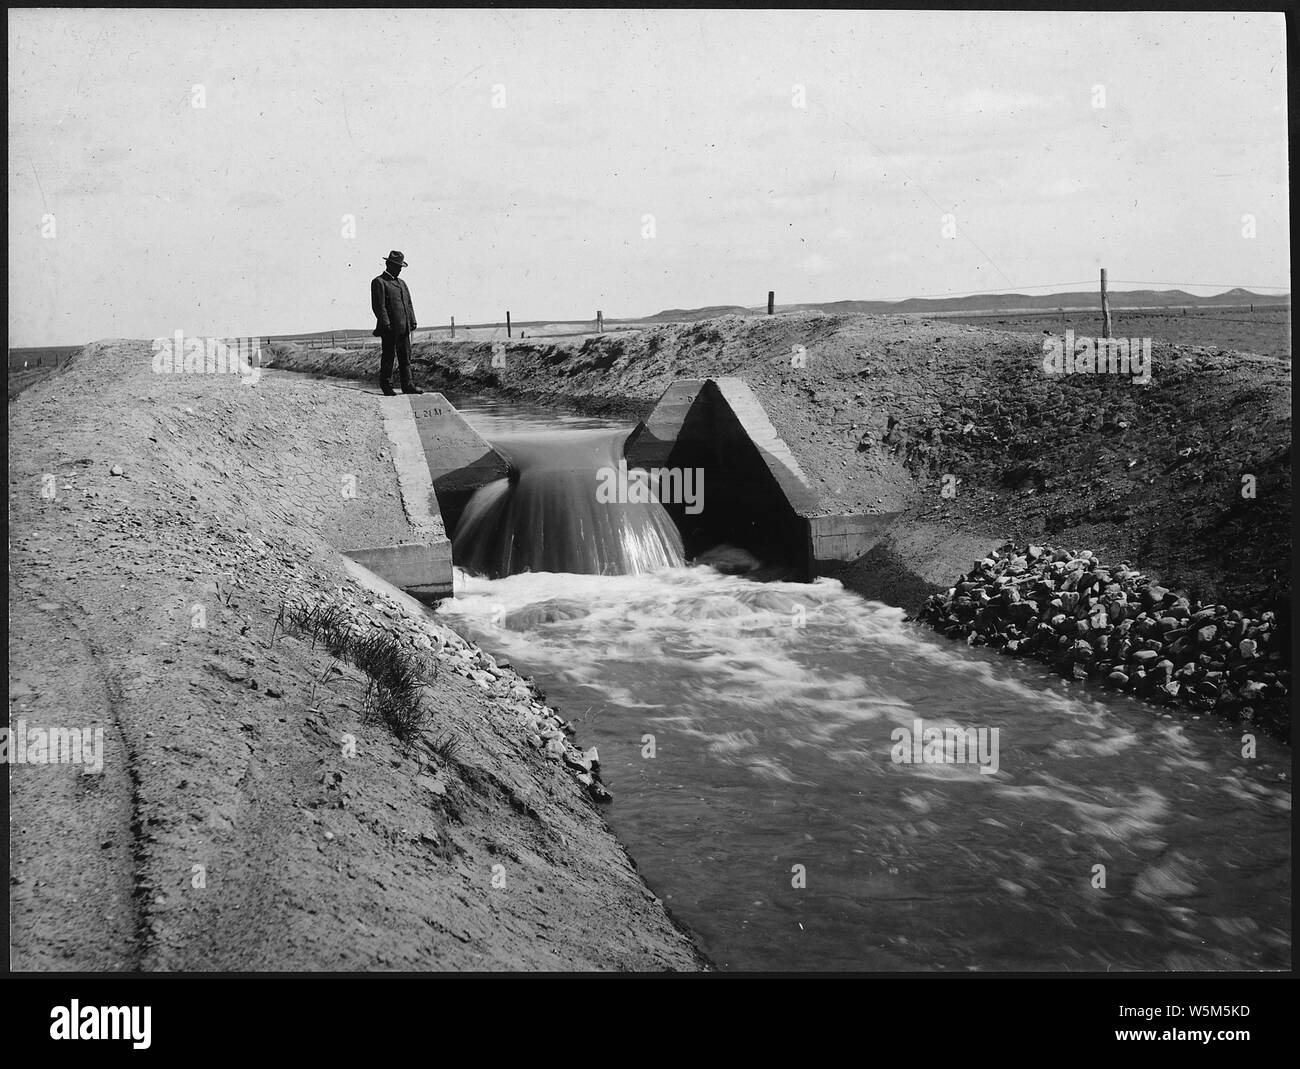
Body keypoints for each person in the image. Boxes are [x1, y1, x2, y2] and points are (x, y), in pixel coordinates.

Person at [371, 250, 422, 395]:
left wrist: (412, 321)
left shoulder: (402, 283)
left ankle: (408, 386)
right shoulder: (379, 282)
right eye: (397, 266)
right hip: (389, 329)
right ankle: (386, 386)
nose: (399, 269)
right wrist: (386, 324)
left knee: (405, 357)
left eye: (400, 267)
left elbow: (409, 304)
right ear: (388, 264)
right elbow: (378, 307)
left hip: (404, 328)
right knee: (388, 357)